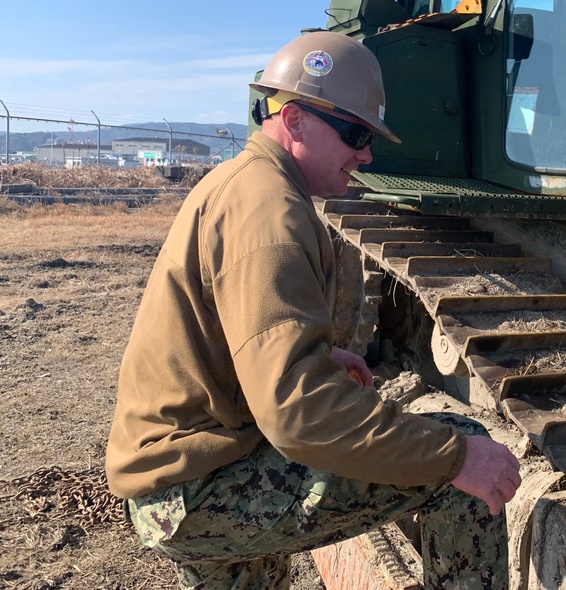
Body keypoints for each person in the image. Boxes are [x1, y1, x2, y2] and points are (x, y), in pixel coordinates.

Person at [106, 31, 522, 589]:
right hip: (198, 486)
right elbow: (297, 414)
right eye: (354, 132)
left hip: (180, 474)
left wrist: (317, 351)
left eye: (369, 136)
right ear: (295, 119)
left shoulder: (249, 185)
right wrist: (455, 456)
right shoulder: (270, 212)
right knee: (458, 466)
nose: (366, 153)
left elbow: (239, 335)